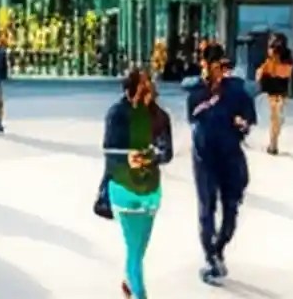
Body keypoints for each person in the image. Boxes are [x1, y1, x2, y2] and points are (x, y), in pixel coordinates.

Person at [183, 42, 256, 286]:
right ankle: (210, 256)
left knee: (231, 209)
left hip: (230, 156)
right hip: (204, 158)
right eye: (208, 65)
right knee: (206, 208)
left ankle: (218, 247)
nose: (213, 70)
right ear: (203, 65)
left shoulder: (236, 90)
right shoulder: (195, 91)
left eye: (217, 65)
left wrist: (242, 123)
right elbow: (193, 118)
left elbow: (249, 118)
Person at [102, 67, 173, 299]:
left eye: (149, 89)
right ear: (129, 92)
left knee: (138, 249)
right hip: (123, 188)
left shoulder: (161, 117)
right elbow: (109, 150)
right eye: (141, 90)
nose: (147, 94)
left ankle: (128, 279)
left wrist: (152, 156)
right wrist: (127, 157)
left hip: (150, 191)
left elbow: (167, 152)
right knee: (134, 249)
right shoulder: (117, 114)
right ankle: (139, 292)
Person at [256, 33, 293, 155]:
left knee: (275, 119)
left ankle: (273, 144)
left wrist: (268, 68)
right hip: (279, 93)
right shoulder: (285, 59)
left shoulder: (274, 61)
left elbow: (262, 75)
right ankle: (273, 144)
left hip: (274, 93)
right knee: (276, 119)